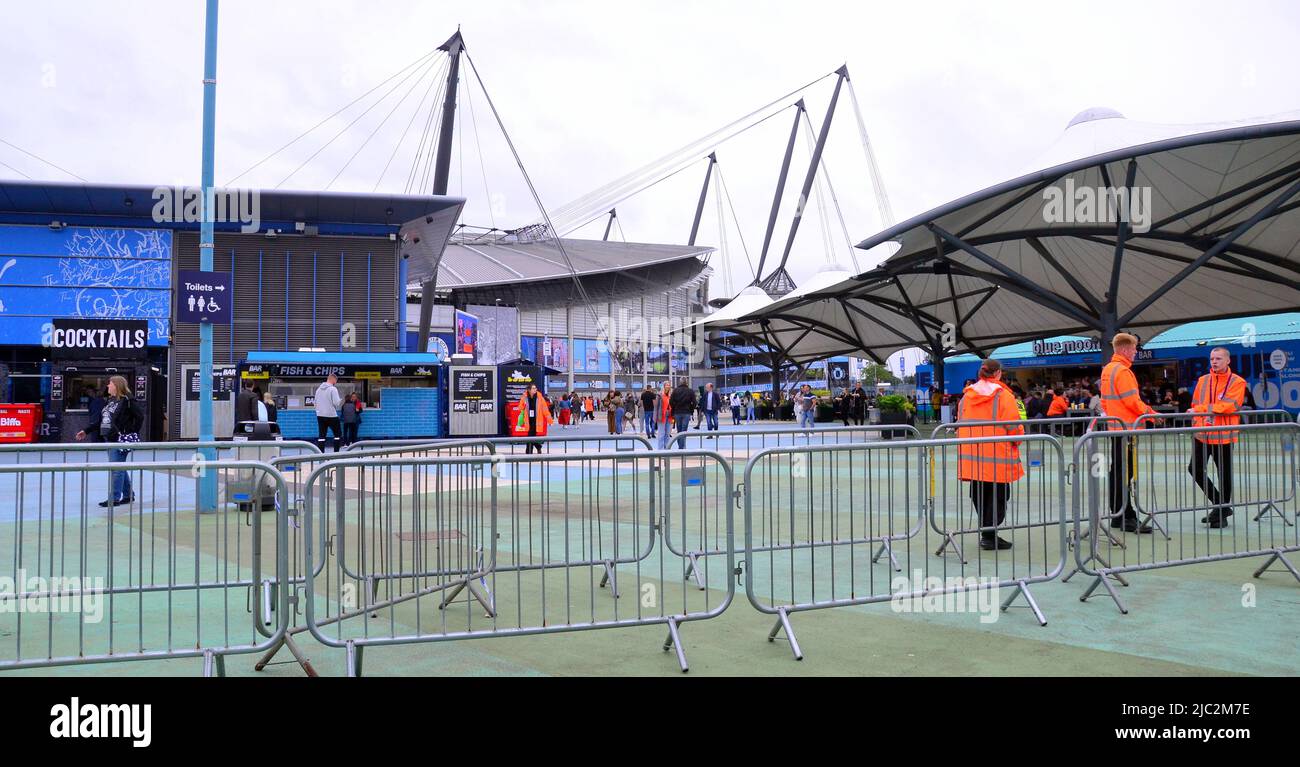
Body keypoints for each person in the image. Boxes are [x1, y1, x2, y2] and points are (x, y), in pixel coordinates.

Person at [956, 359, 1024, 550]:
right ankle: (989, 535)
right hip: (997, 457)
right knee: (999, 496)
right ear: (998, 374)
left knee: (979, 495)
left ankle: (987, 532)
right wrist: (1017, 441)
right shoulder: (1003, 396)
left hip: (972, 457)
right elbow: (1014, 427)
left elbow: (960, 423)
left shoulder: (966, 396)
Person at [1099, 332, 1156, 534]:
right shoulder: (1122, 372)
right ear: (1124, 349)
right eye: (1133, 349)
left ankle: (1120, 512)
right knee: (1124, 473)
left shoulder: (1108, 370)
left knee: (1119, 471)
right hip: (1127, 429)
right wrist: (1151, 414)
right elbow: (1132, 401)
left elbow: (1104, 401)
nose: (1135, 353)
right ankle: (1125, 515)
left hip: (1116, 428)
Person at [1188, 347, 1248, 528]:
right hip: (1202, 434)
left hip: (1223, 435)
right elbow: (1195, 403)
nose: (1214, 361)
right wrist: (1197, 417)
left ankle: (1220, 513)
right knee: (1195, 469)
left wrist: (1200, 410)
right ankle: (1221, 507)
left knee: (1224, 474)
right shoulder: (1203, 380)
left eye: (1218, 358)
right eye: (1212, 358)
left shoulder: (1237, 382)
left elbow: (1230, 405)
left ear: (1228, 361)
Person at [75, 375, 142, 508]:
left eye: (110, 384)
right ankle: (128, 495)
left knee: (116, 469)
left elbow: (140, 416)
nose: (107, 386)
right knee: (119, 467)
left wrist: (131, 432)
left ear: (117, 385)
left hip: (120, 439)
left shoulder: (128, 400)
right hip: (110, 439)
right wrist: (86, 431)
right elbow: (103, 421)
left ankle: (114, 498)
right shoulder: (110, 401)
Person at [516, 383, 555, 454]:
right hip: (528, 420)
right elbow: (520, 408)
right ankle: (538, 446)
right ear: (529, 390)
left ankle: (529, 452)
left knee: (530, 435)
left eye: (535, 388)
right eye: (533, 388)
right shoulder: (524, 397)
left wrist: (550, 420)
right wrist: (523, 403)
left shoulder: (540, 397)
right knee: (531, 436)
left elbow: (545, 409)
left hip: (536, 420)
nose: (535, 389)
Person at [314, 373, 343, 452]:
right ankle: (336, 452)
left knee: (322, 435)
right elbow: (336, 403)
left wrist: (319, 411)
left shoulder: (318, 389)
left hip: (320, 415)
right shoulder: (333, 389)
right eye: (336, 381)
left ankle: (321, 453)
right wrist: (340, 400)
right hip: (331, 415)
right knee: (337, 434)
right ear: (333, 379)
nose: (335, 382)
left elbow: (315, 403)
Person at [669, 379, 697, 447]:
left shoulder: (675, 390)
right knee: (684, 430)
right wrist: (691, 409)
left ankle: (681, 446)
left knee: (679, 429)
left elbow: (671, 401)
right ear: (686, 382)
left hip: (677, 412)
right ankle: (682, 446)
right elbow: (694, 402)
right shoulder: (690, 391)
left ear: (680, 382)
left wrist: (675, 407)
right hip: (686, 412)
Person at [655, 382, 674, 450]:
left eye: (669, 385)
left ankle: (667, 449)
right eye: (666, 385)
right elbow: (656, 407)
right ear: (663, 386)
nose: (668, 386)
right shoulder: (659, 395)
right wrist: (655, 417)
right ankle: (660, 450)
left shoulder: (671, 395)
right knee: (661, 434)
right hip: (661, 416)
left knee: (667, 434)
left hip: (670, 416)